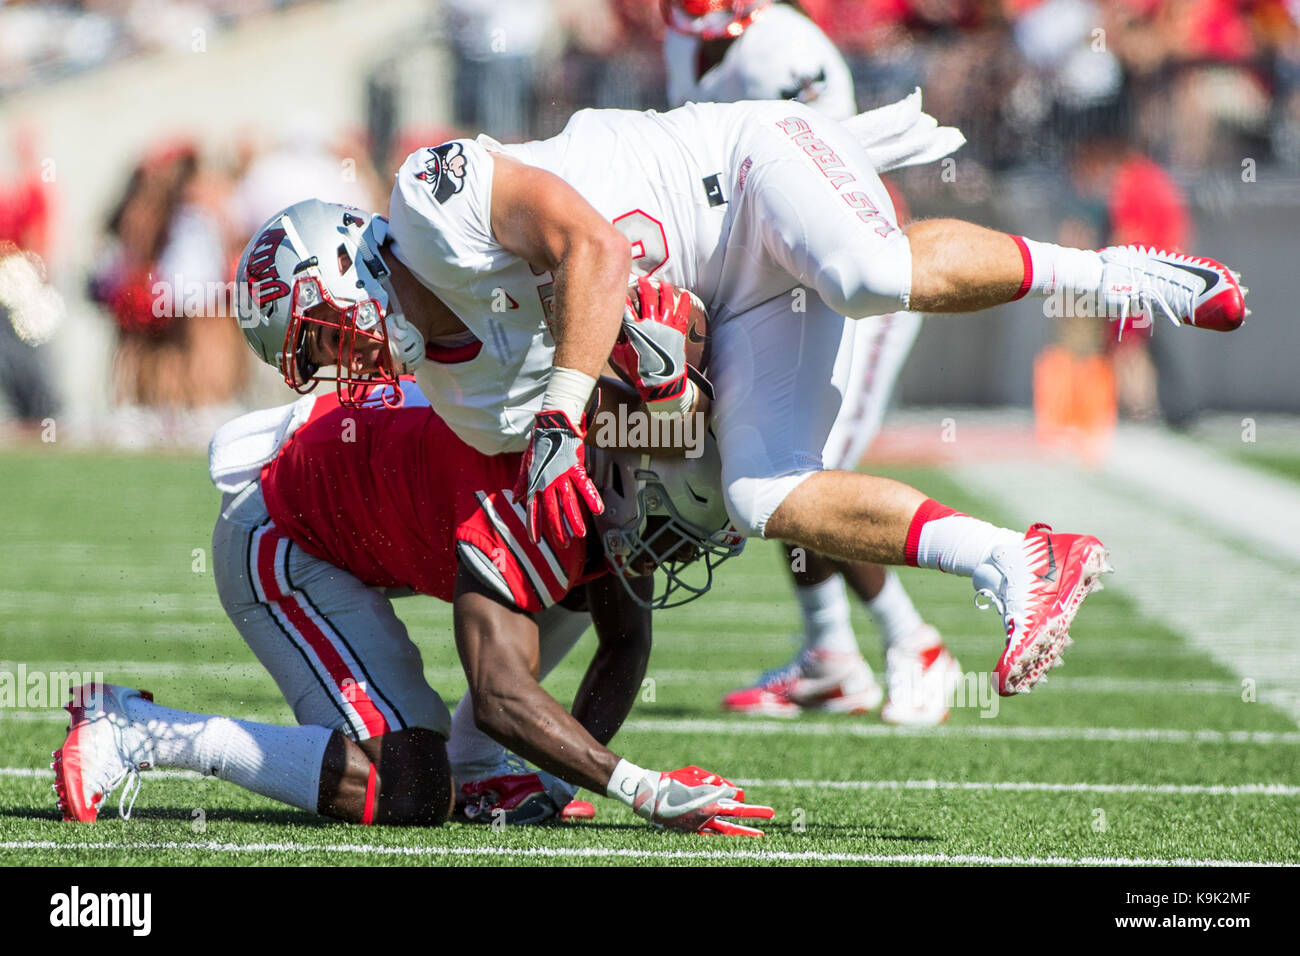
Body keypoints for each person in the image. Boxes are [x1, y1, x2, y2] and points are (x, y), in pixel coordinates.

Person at [233, 95, 1245, 701]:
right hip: (726, 298)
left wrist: (576, 392)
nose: (339, 363)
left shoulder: (427, 194)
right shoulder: (459, 394)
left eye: (318, 334)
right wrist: (673, 454)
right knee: (760, 491)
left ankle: (1123, 276)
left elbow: (599, 248)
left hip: (744, 169)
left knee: (864, 268)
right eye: (310, 360)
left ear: (340, 263)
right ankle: (1016, 559)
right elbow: (632, 412)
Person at [53, 373, 770, 835]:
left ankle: (487, 773)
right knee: (410, 790)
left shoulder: (609, 452)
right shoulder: (528, 491)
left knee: (584, 587)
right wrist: (641, 791)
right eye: (670, 539)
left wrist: (555, 780)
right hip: (285, 533)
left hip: (371, 508)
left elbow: (625, 645)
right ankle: (138, 729)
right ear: (629, 486)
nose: (669, 561)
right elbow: (498, 694)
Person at [662, 0, 960, 725]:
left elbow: (825, 159)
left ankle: (914, 643)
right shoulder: (689, 35)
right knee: (769, 466)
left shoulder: (779, 45)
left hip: (839, 272)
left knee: (808, 481)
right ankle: (831, 654)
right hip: (770, 275)